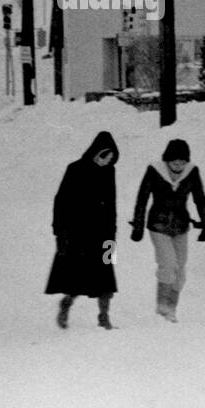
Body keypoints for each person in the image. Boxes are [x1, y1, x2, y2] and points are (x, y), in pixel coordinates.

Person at [130, 139, 205, 322]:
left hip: (181, 226)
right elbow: (142, 198)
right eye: (175, 162)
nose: (178, 166)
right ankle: (162, 306)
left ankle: (171, 308)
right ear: (167, 160)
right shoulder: (154, 170)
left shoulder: (192, 172)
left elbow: (200, 198)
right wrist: (138, 225)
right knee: (168, 264)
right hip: (158, 225)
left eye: (182, 162)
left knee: (180, 270)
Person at [46, 131, 119, 330]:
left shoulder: (109, 172)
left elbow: (112, 204)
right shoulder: (75, 169)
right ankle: (66, 304)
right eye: (105, 156)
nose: (107, 161)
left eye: (111, 158)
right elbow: (60, 201)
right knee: (76, 277)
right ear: (96, 152)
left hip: (104, 233)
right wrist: (59, 231)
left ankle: (104, 316)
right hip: (78, 232)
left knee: (106, 275)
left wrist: (113, 234)